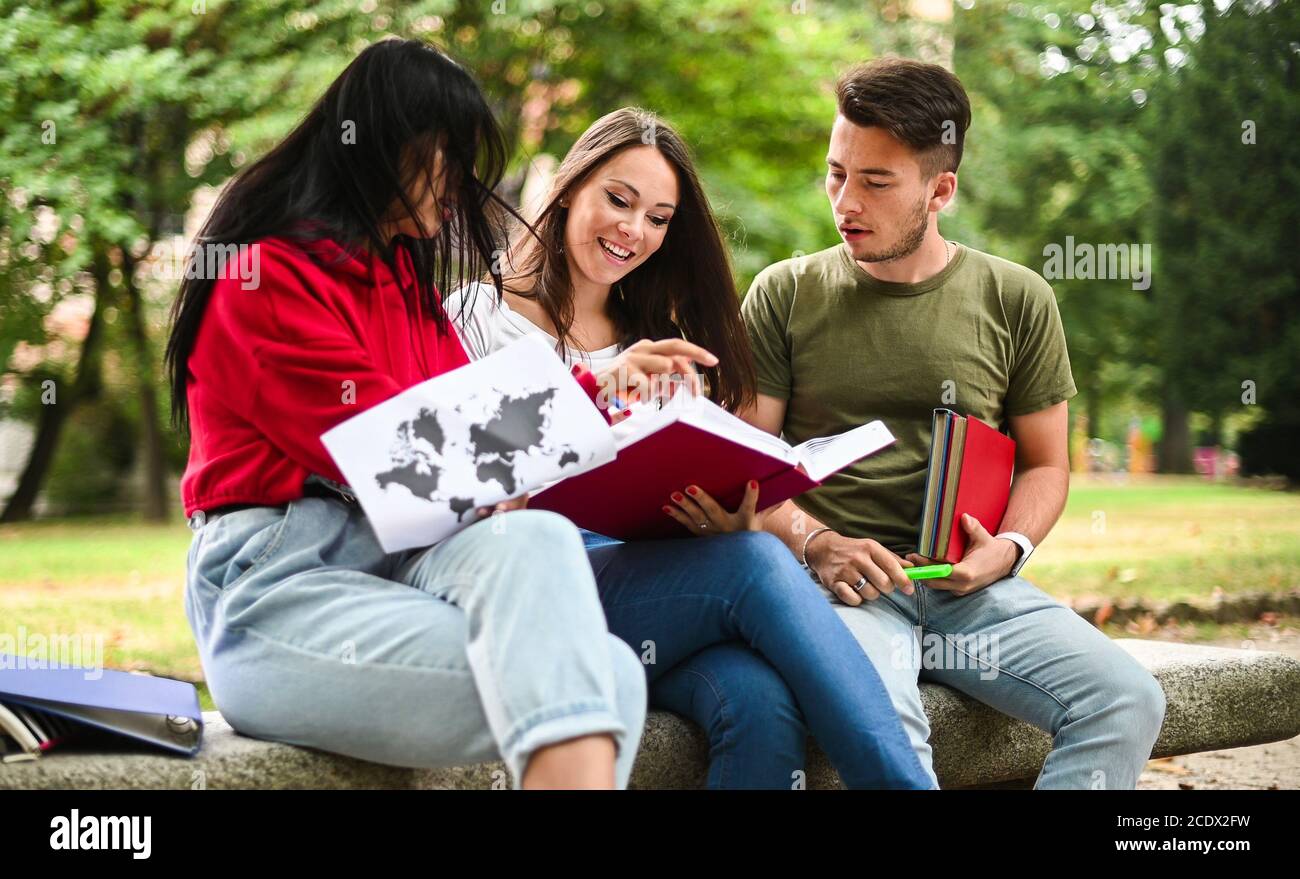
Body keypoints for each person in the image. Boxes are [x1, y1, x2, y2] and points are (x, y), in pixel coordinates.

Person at [165, 39, 648, 790]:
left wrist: (603, 392)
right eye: (446, 156)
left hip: (400, 567)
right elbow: (411, 456)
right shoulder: (265, 277)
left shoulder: (403, 280)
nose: (458, 184)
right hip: (282, 591)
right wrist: (579, 400)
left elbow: (477, 436)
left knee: (592, 634)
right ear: (387, 144)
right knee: (598, 679)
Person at [683, 58, 1166, 789]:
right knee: (889, 730)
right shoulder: (786, 292)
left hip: (971, 588)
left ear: (941, 189)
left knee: (1127, 699)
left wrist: (1009, 547)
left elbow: (1046, 463)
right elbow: (745, 470)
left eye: (876, 182)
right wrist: (820, 545)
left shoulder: (1017, 298)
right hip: (841, 592)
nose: (846, 200)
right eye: (836, 173)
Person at [447, 107, 932, 789]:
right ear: (568, 188)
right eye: (618, 199)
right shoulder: (478, 313)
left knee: (760, 704)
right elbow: (458, 473)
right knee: (758, 562)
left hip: (655, 589)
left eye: (658, 217)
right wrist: (594, 389)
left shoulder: (657, 335)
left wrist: (720, 513)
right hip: (542, 585)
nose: (633, 229)